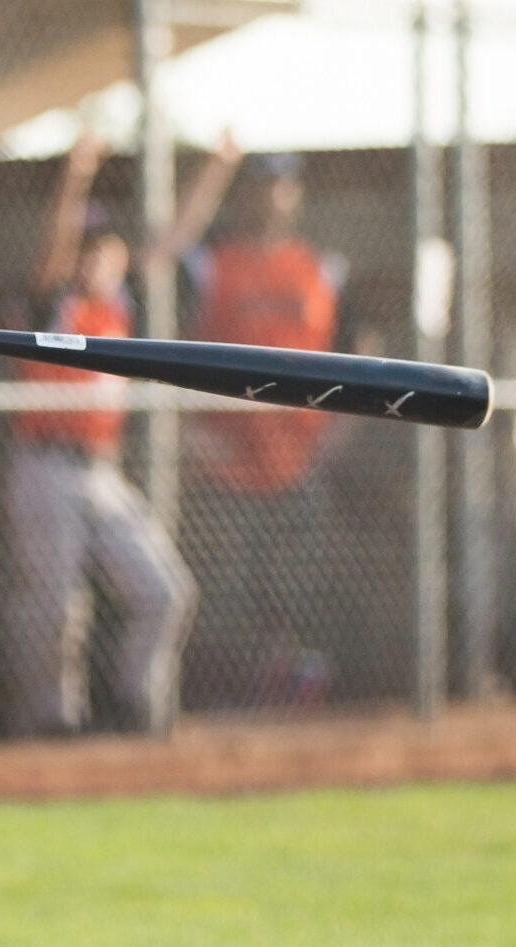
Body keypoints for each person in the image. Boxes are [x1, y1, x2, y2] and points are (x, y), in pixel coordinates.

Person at [5, 133, 223, 735]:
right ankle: (51, 722)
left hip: (102, 470)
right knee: (56, 607)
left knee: (164, 591)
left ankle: (135, 709)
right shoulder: (53, 303)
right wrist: (76, 176)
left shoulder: (122, 304)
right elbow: (53, 247)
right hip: (46, 467)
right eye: (86, 250)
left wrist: (217, 168)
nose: (92, 260)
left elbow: (177, 239)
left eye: (104, 250)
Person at [183, 152, 345, 706]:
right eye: (261, 184)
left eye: (282, 184)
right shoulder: (211, 265)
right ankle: (226, 700)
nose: (272, 196)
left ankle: (288, 698)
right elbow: (169, 347)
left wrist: (335, 436)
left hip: (297, 461)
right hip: (225, 467)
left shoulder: (319, 268)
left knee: (296, 595)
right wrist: (185, 434)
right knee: (222, 597)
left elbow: (358, 350)